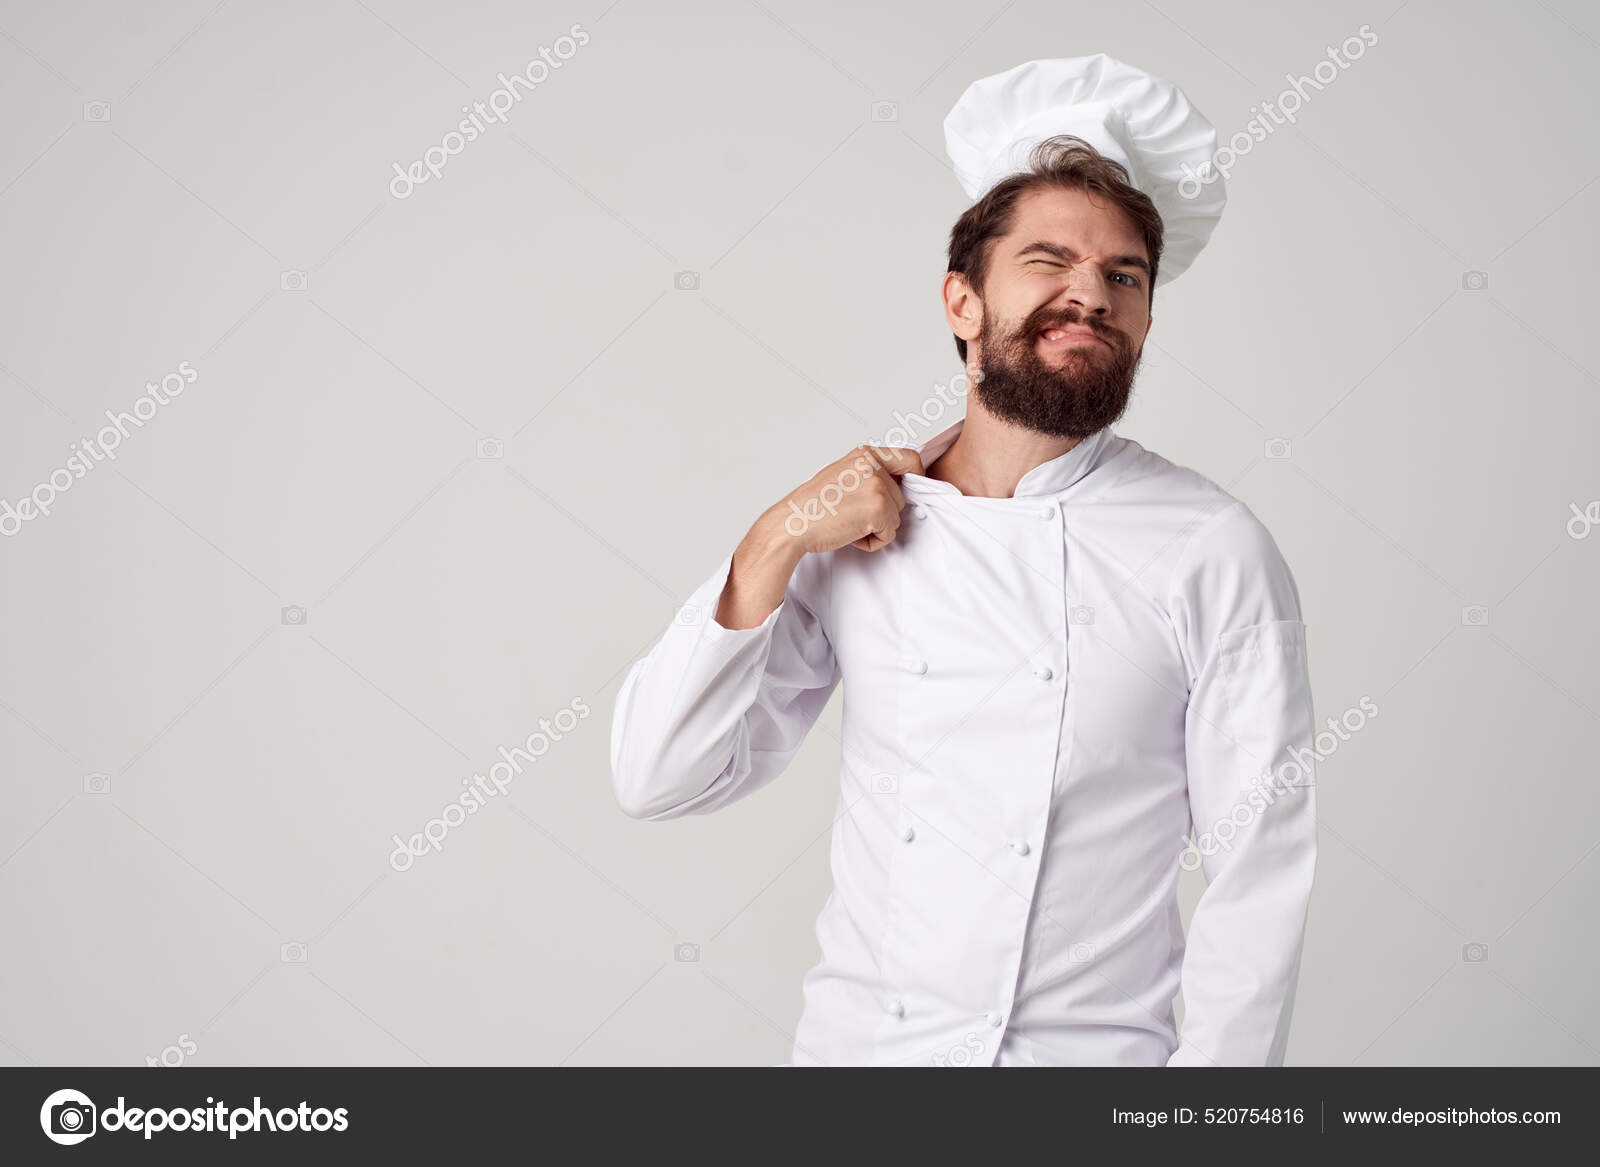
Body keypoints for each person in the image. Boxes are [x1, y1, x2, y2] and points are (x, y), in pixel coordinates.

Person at [610, 55, 1316, 1067]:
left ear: (1147, 321)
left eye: (1123, 277)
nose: (1092, 295)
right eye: (1048, 261)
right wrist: (770, 542)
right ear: (961, 302)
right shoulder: (854, 530)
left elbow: (1259, 872)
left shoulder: (1210, 546)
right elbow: (660, 778)